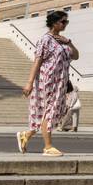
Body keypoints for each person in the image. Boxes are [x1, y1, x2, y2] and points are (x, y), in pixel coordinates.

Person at [17, 10, 79, 157]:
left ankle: (25, 135)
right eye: (63, 21)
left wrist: (69, 42)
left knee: (50, 113)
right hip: (47, 82)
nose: (65, 24)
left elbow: (76, 56)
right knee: (49, 113)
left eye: (66, 22)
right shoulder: (45, 40)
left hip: (60, 83)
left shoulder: (62, 41)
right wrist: (29, 83)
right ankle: (48, 146)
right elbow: (37, 61)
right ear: (54, 23)